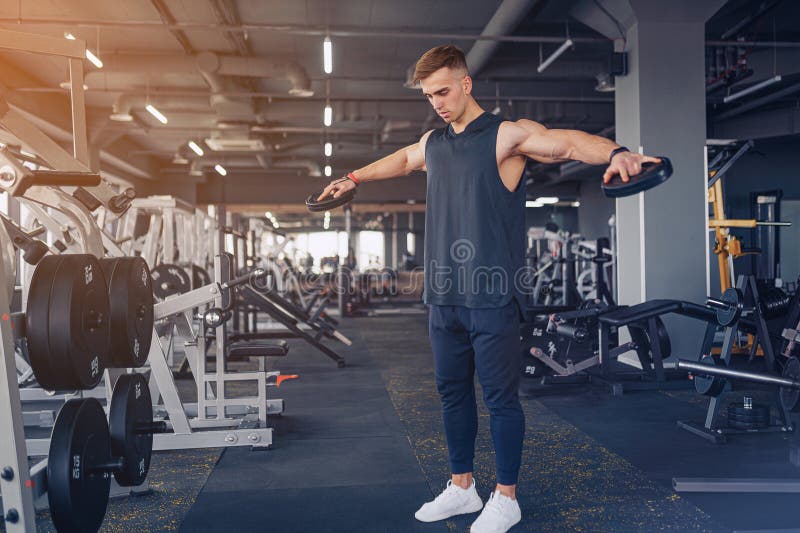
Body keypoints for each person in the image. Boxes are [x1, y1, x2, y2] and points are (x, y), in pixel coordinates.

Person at [317, 44, 659, 533]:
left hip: (493, 297)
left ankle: (506, 497)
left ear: (465, 82)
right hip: (444, 297)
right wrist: (353, 177)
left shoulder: (506, 136)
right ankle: (461, 489)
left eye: (442, 91)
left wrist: (618, 152)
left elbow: (563, 144)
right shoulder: (434, 143)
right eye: (428, 95)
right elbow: (403, 158)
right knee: (451, 393)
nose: (436, 101)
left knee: (500, 398)